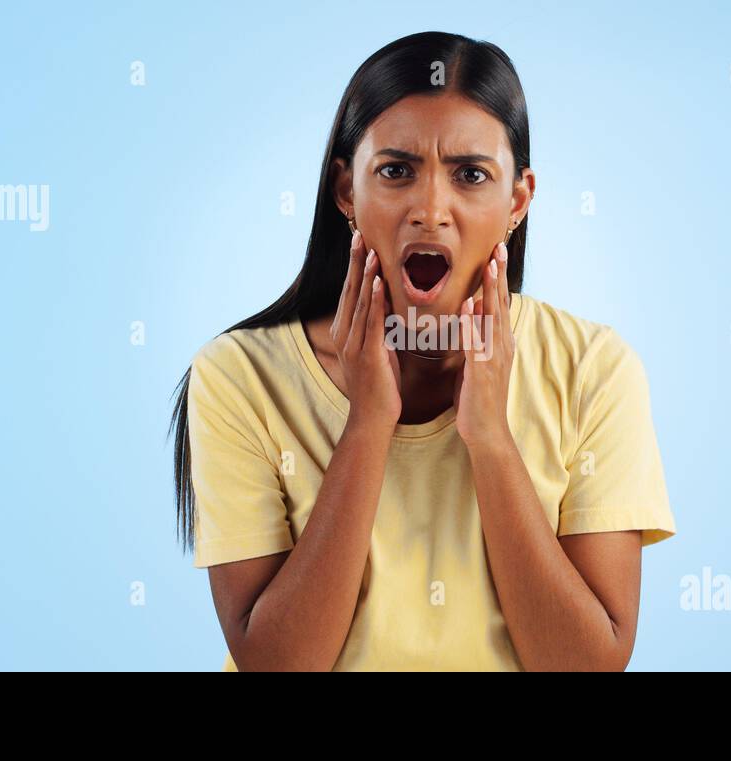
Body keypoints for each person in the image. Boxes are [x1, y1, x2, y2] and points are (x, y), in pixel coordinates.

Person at [169, 31, 675, 671]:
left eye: (471, 175)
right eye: (396, 171)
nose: (430, 209)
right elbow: (278, 664)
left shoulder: (594, 369)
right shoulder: (238, 376)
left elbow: (586, 664)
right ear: (346, 191)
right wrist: (367, 424)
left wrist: (491, 437)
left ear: (517, 201)